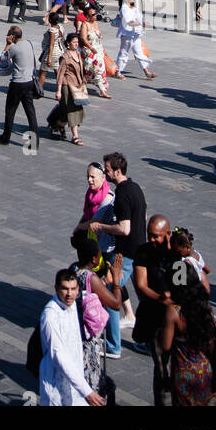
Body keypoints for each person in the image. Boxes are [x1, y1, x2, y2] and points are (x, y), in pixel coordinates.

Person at [72, 162, 122, 359]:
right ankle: (130, 315)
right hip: (95, 244)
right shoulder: (91, 195)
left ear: (103, 178)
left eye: (94, 177)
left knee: (109, 292)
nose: (89, 180)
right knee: (110, 287)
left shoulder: (106, 199)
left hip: (105, 248)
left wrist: (78, 229)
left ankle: (113, 344)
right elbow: (86, 216)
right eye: (88, 176)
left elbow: (93, 221)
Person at [38, 269, 105, 407]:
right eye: (65, 289)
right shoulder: (50, 315)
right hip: (56, 386)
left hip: (75, 385)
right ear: (56, 288)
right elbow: (58, 355)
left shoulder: (73, 304)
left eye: (73, 289)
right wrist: (87, 391)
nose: (69, 294)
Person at [98, 152, 146, 332]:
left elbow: (124, 228)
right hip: (141, 249)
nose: (105, 172)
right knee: (144, 296)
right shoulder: (135, 187)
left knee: (111, 293)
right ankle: (146, 336)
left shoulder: (123, 193)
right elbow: (142, 216)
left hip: (127, 252)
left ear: (117, 171)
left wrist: (102, 227)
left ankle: (113, 344)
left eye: (108, 169)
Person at [70, 236, 122, 397]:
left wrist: (105, 281)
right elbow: (116, 303)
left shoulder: (73, 270)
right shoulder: (90, 278)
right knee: (90, 380)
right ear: (94, 258)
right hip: (87, 337)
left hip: (73, 331)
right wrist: (116, 280)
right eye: (99, 254)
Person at [161, 272, 216, 406]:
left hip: (184, 372)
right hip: (206, 369)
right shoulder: (205, 308)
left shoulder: (174, 311)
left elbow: (165, 346)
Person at [132, 214, 173, 405]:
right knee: (162, 368)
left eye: (156, 236)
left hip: (177, 321)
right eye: (150, 235)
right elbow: (141, 285)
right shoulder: (144, 253)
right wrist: (160, 299)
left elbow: (181, 286)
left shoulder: (176, 255)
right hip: (157, 321)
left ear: (168, 234)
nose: (152, 240)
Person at [0, 26, 39, 146]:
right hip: (29, 82)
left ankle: (5, 138)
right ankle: (34, 142)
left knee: (10, 111)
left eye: (8, 35)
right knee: (30, 113)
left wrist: (7, 44)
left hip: (17, 84)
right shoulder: (28, 43)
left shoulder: (14, 48)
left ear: (12, 36)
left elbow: (3, 59)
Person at [47, 31, 88, 145]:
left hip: (77, 86)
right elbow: (60, 74)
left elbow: (82, 69)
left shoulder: (79, 54)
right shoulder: (65, 57)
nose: (76, 44)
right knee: (72, 110)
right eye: (74, 42)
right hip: (67, 86)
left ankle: (58, 124)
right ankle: (75, 136)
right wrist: (58, 90)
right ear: (68, 43)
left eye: (77, 42)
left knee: (73, 111)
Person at [115, 0, 155, 80]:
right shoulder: (124, 8)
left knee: (139, 52)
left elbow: (138, 16)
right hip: (127, 34)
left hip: (136, 33)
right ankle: (118, 72)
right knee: (124, 52)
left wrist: (140, 24)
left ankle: (146, 72)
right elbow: (129, 22)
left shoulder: (132, 6)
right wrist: (141, 23)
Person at [79, 5, 111, 98]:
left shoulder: (96, 23)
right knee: (92, 70)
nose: (95, 16)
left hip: (99, 50)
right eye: (93, 14)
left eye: (95, 13)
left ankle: (102, 90)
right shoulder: (85, 24)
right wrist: (90, 47)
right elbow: (83, 38)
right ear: (88, 16)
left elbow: (98, 38)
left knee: (100, 70)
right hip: (90, 51)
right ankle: (98, 89)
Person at [37, 10, 64, 90]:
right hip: (59, 52)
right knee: (57, 72)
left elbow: (51, 45)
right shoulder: (60, 27)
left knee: (42, 72)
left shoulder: (52, 30)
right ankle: (61, 89)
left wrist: (49, 57)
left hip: (51, 52)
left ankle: (39, 90)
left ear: (50, 20)